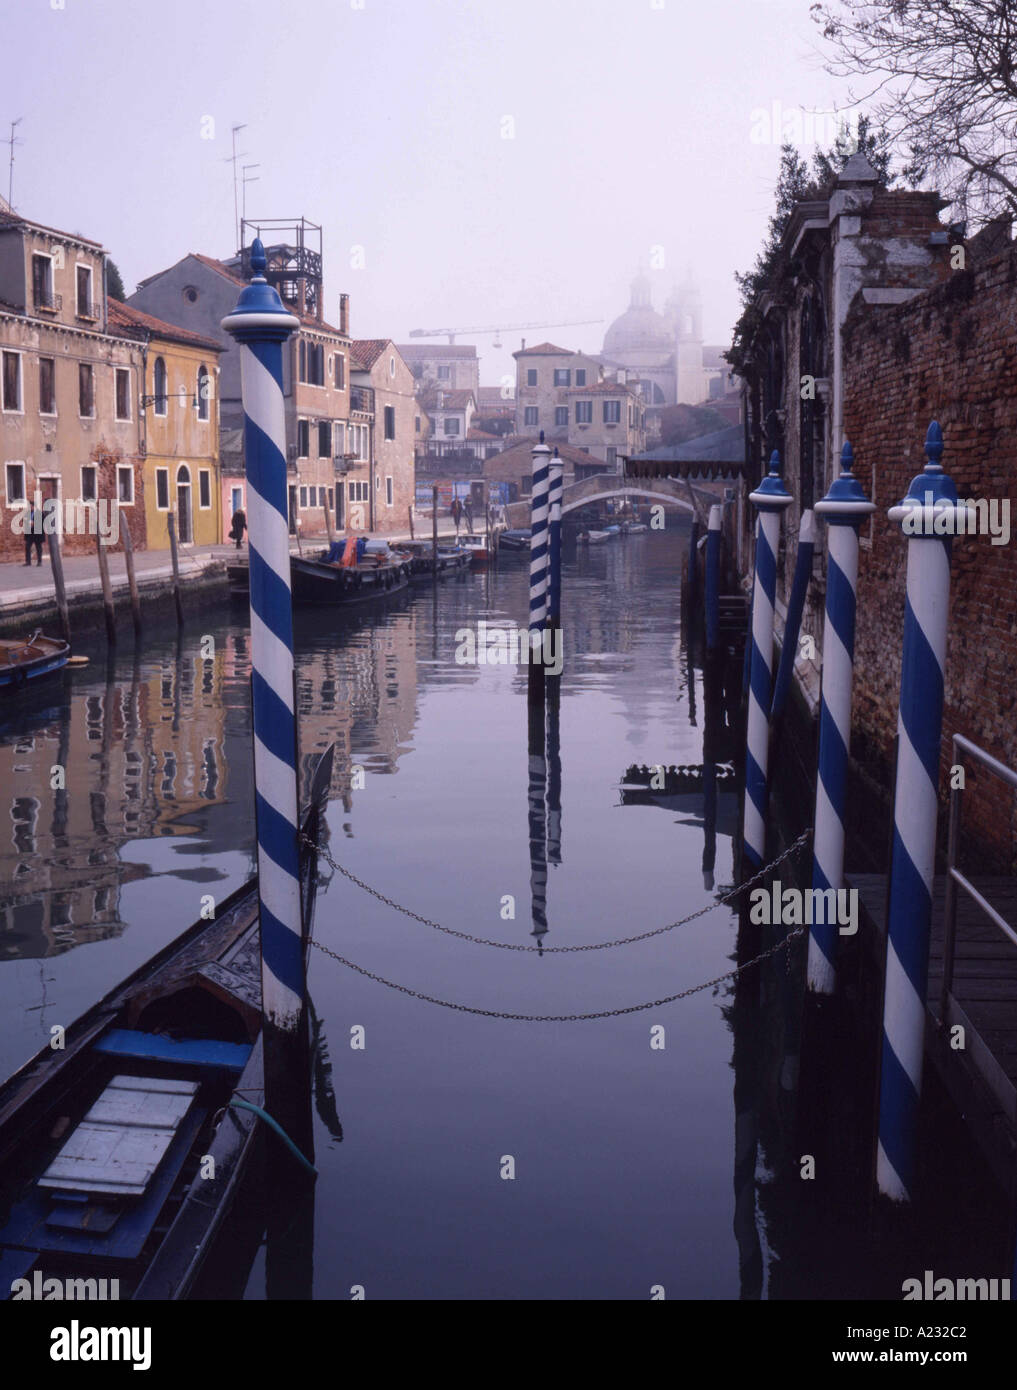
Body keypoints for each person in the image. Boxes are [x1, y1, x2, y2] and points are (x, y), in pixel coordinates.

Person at [23, 502, 43, 566]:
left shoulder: (39, 513)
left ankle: (39, 562)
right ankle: (28, 562)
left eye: (30, 507)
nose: (29, 508)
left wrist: (33, 523)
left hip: (37, 533)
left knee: (38, 548)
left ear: (34, 506)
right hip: (30, 533)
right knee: (27, 547)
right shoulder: (28, 513)